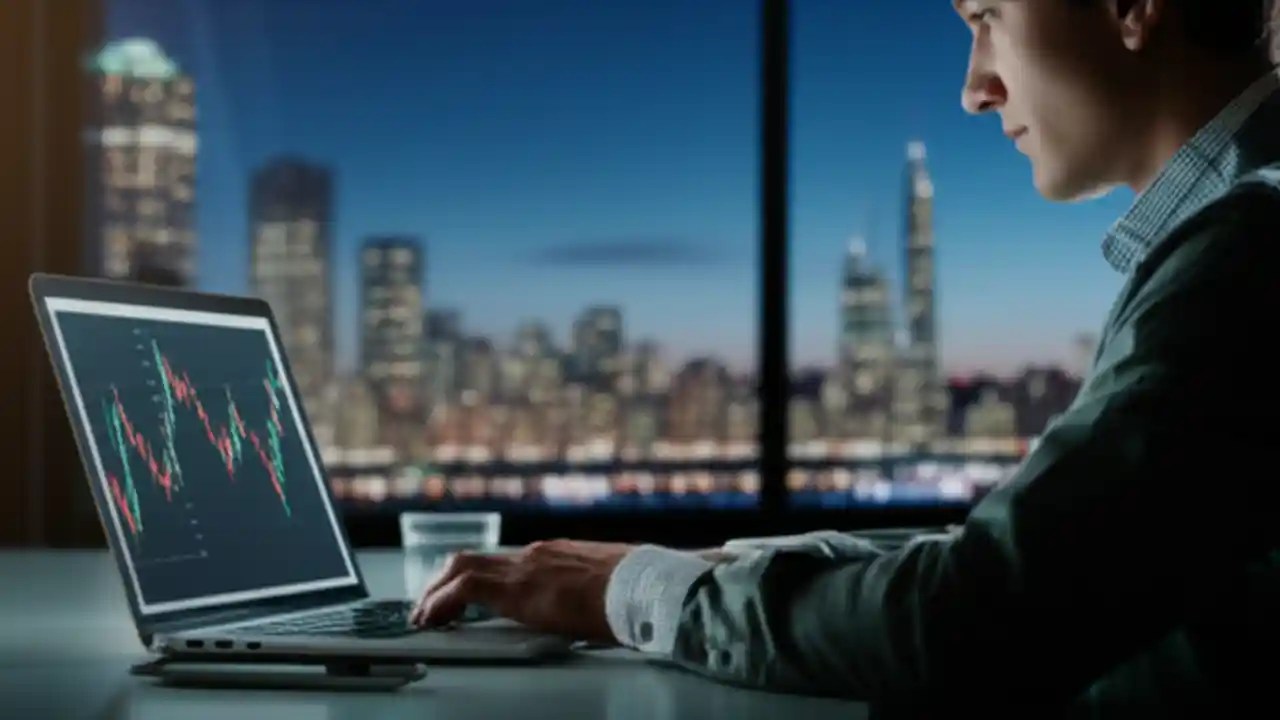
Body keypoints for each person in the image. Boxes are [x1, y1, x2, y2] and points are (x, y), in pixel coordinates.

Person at [412, 0, 1280, 714]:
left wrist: (634, 595)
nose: (975, 87)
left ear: (1130, 7)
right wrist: (743, 574)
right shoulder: (1233, 235)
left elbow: (975, 619)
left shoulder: (1248, 254)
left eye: (988, 18)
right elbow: (1067, 560)